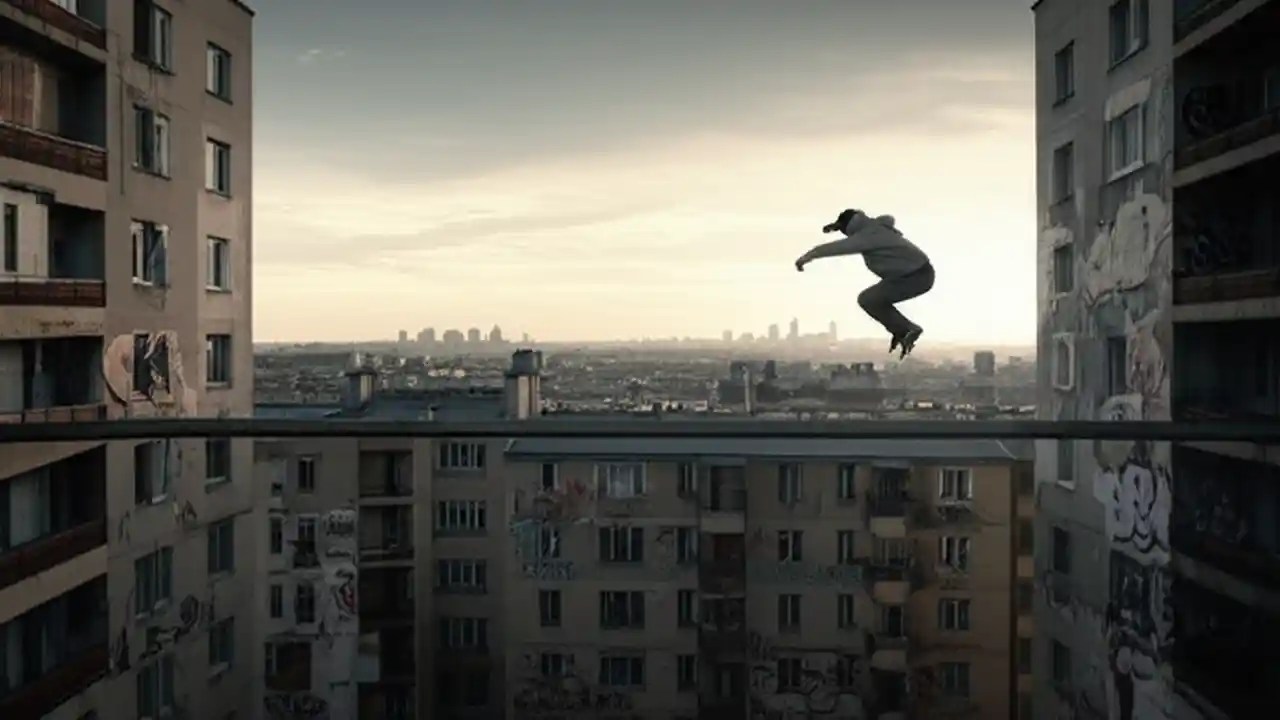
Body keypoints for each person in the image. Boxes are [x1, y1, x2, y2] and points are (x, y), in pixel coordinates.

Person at [795, 208, 934, 358]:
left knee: (868, 299)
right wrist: (833, 227)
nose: (845, 235)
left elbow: (838, 247)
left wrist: (809, 256)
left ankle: (907, 329)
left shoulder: (867, 236)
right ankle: (902, 330)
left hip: (916, 277)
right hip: (914, 274)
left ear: (850, 227)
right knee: (871, 299)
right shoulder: (874, 228)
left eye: (843, 231)